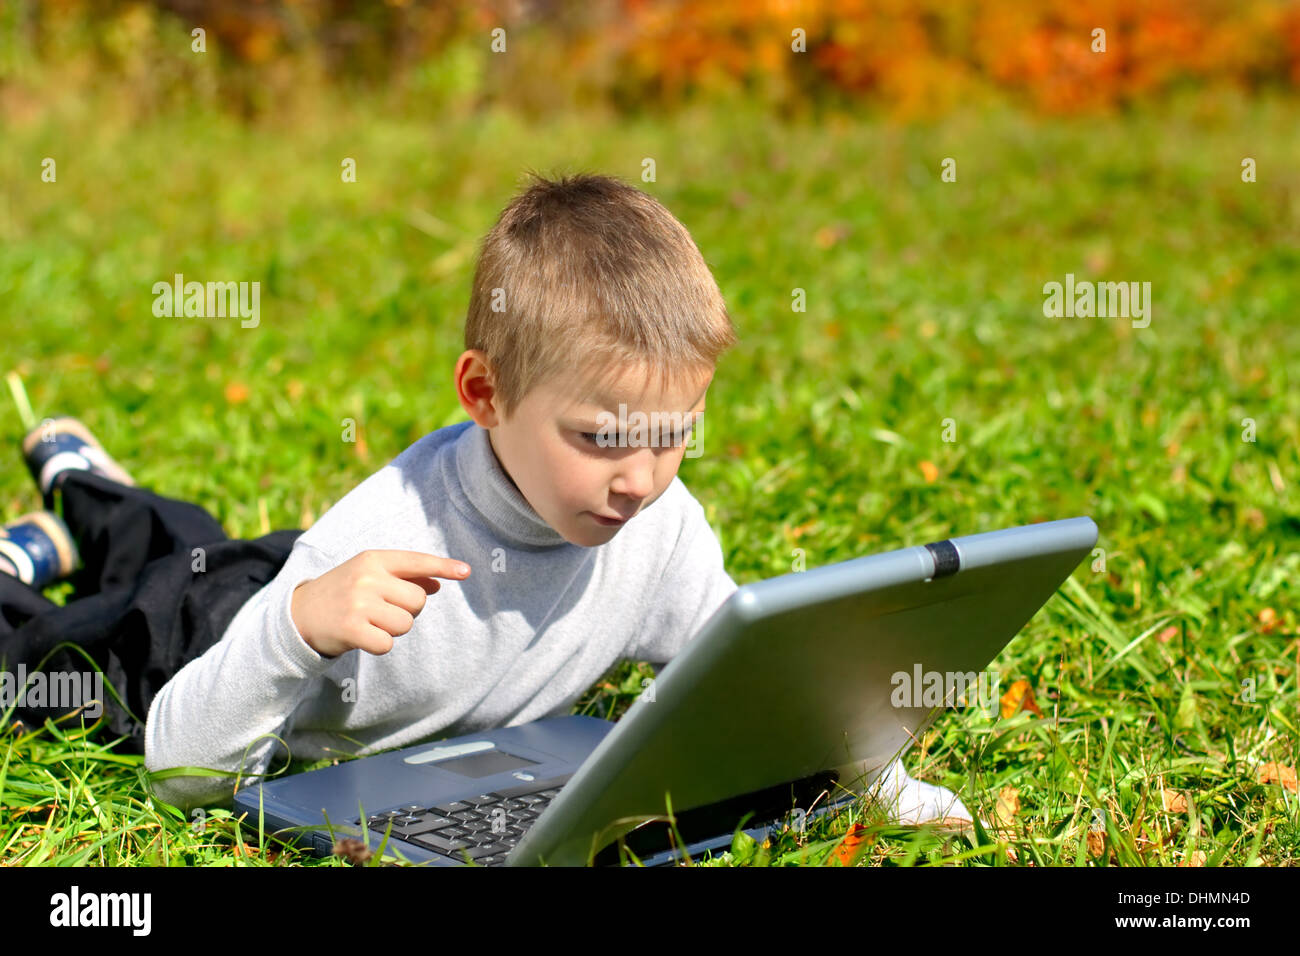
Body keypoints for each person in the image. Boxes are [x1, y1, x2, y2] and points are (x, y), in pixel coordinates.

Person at [0, 171, 974, 845]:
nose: (640, 476)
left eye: (675, 431)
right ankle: (36, 547)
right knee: (59, 650)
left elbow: (753, 683)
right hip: (243, 635)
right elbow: (178, 768)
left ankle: (88, 491)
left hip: (308, 588)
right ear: (484, 393)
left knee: (192, 545)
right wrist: (295, 630)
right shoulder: (373, 536)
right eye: (599, 437)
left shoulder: (657, 526)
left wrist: (879, 784)